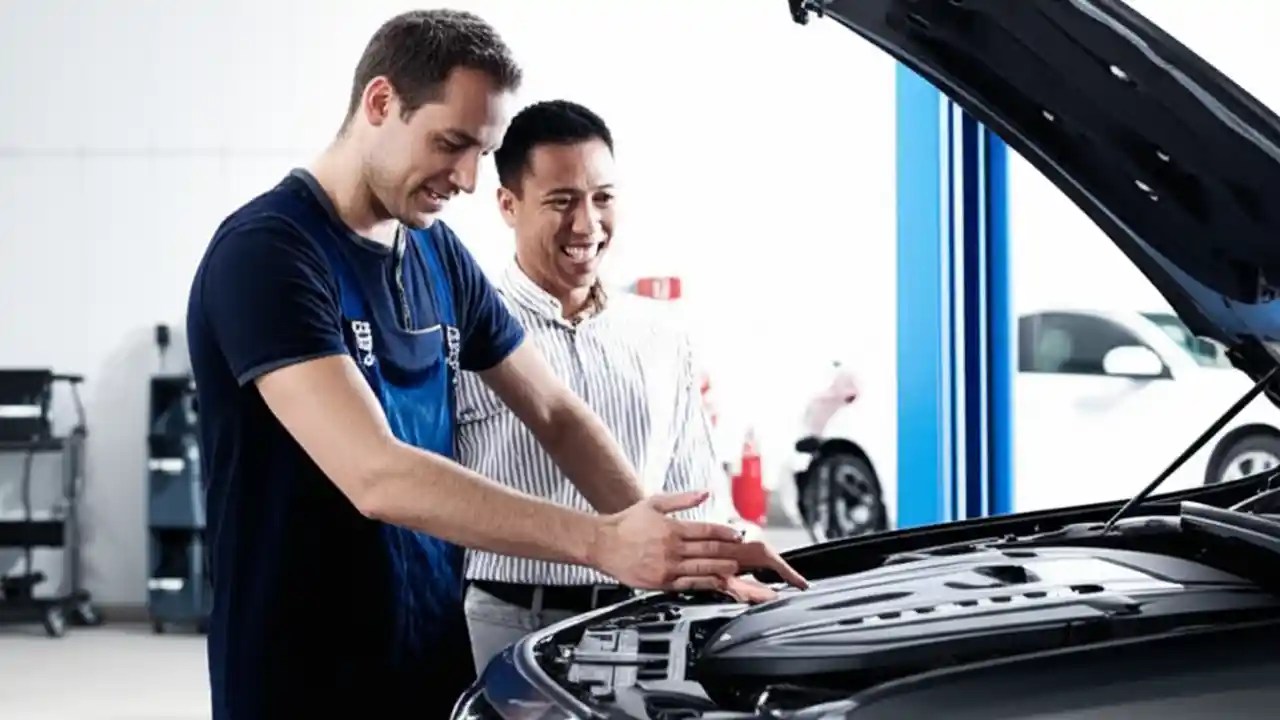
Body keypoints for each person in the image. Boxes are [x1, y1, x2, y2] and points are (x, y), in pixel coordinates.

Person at [184, 10, 806, 720]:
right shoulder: (268, 255)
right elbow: (376, 474)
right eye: (451, 144)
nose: (468, 179)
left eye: (482, 151)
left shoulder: (435, 253)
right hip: (299, 679)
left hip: (429, 662)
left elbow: (555, 413)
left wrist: (669, 543)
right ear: (381, 102)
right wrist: (603, 542)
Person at [455, 100, 798, 672]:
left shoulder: (660, 337)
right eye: (562, 201)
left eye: (603, 198)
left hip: (644, 618)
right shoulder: (464, 333)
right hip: (504, 623)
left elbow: (695, 488)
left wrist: (732, 558)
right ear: (508, 205)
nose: (587, 224)